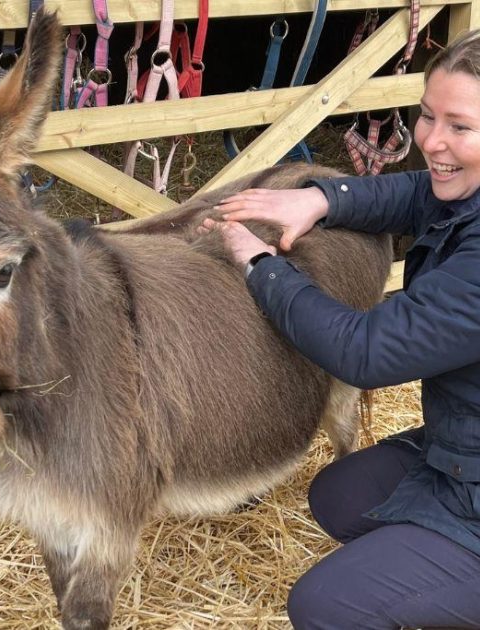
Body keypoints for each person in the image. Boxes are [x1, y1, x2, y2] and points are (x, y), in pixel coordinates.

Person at [201, 28, 480, 630]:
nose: (431, 141)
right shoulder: (466, 190)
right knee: (337, 498)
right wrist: (322, 200)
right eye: (427, 116)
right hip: (461, 449)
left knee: (326, 606)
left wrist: (260, 266)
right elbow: (412, 194)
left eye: (461, 127)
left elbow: (365, 351)